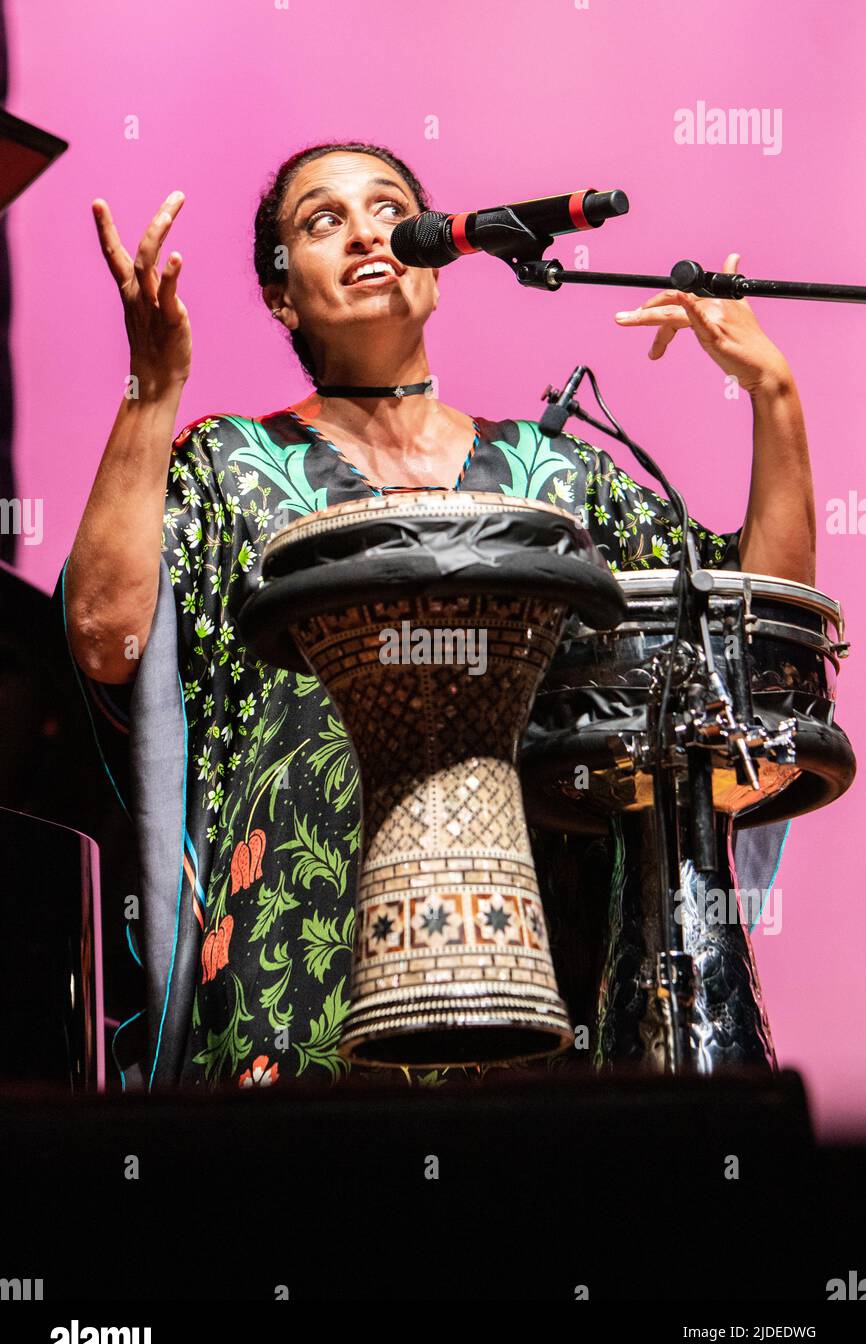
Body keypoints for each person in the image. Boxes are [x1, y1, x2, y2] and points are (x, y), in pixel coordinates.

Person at [56, 142, 816, 1091]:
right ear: (282, 295)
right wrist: (153, 390)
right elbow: (104, 634)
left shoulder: (558, 475)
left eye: (389, 208)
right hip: (295, 971)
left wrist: (773, 396)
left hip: (537, 976)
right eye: (322, 221)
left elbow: (753, 642)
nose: (368, 230)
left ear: (440, 265)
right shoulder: (229, 464)